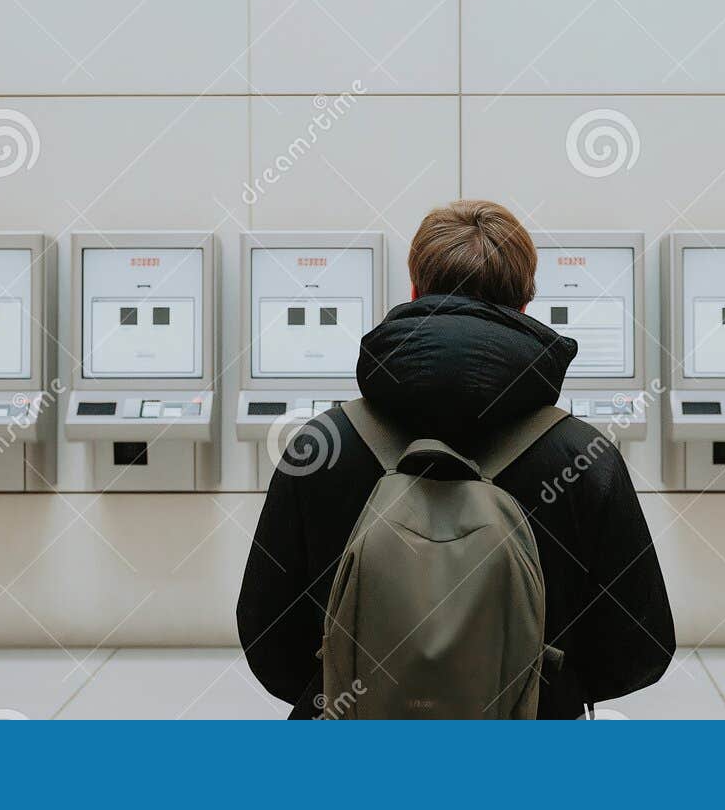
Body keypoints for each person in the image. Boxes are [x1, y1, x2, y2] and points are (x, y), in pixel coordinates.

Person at [236, 199, 675, 718]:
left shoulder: (321, 447)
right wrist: (546, 690)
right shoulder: (584, 456)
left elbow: (268, 638)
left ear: (415, 292)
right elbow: (641, 647)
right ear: (524, 304)